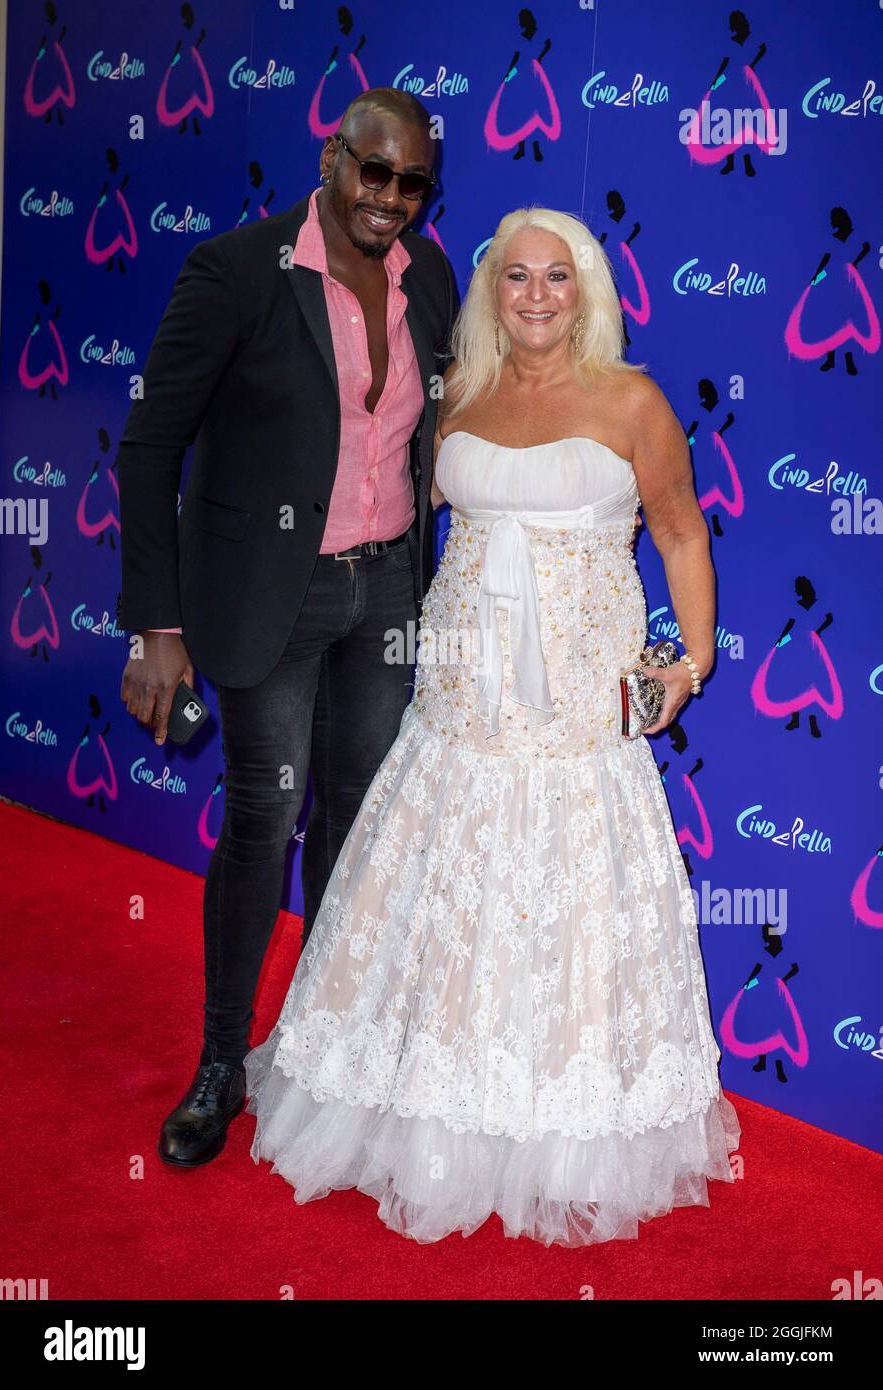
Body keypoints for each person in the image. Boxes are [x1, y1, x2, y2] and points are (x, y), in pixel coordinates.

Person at [242, 205, 742, 1247]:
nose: (535, 297)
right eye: (515, 277)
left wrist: (686, 663)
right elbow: (398, 513)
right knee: (446, 900)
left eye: (556, 277)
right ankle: (423, 1106)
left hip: (573, 724)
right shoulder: (456, 392)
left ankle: (555, 1129)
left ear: (588, 289)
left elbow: (682, 532)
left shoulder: (633, 401)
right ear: (489, 291)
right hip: (460, 708)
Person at [116, 89, 459, 1168]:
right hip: (272, 599)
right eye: (374, 173)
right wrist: (156, 625)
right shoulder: (235, 272)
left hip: (385, 599)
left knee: (358, 825)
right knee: (265, 824)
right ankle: (223, 1061)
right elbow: (147, 451)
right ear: (332, 156)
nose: (389, 200)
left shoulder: (433, 278)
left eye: (412, 185)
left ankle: (330, 1050)